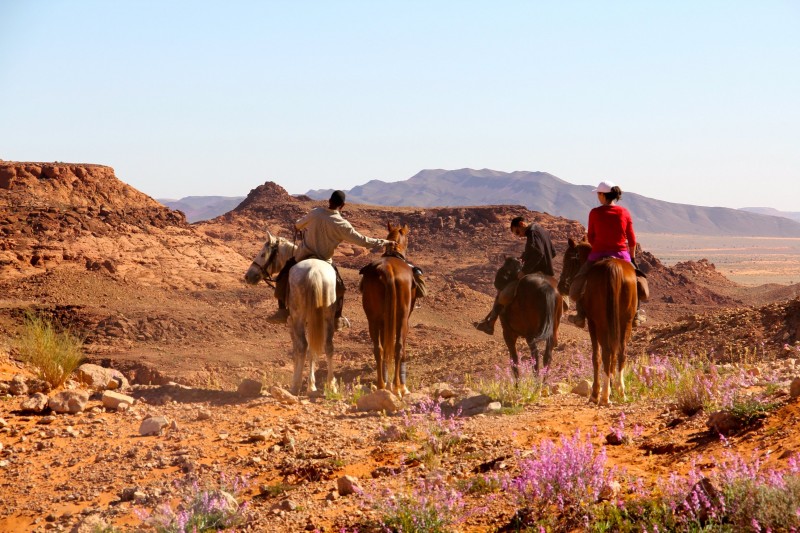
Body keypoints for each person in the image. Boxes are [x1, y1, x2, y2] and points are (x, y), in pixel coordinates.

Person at [267, 190, 394, 329]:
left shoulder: (315, 213)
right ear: (343, 205)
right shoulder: (342, 224)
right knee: (340, 288)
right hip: (324, 260)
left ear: (329, 201)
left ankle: (281, 311)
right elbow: (364, 241)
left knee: (282, 277)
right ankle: (337, 318)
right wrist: (385, 242)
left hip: (302, 256)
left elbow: (297, 225)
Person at [568, 180, 647, 328]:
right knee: (636, 281)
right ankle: (636, 314)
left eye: (598, 194)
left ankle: (580, 315)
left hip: (597, 255)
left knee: (580, 279)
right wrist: (632, 258)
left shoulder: (595, 212)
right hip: (622, 255)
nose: (598, 196)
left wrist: (599, 245)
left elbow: (590, 236)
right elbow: (632, 239)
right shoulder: (624, 212)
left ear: (603, 195)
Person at [474, 216, 556, 335]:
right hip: (549, 273)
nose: (519, 236)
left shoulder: (532, 232)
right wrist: (524, 257)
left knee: (504, 289)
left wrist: (525, 270)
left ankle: (490, 323)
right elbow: (552, 252)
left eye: (517, 232)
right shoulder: (541, 230)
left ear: (522, 224)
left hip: (536, 272)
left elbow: (538, 253)